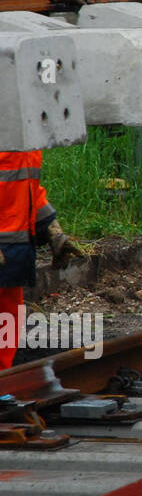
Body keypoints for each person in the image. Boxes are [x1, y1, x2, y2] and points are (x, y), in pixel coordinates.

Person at [0, 150, 81, 369]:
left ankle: (3, 381)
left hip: (14, 251)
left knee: (7, 320)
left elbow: (29, 191)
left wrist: (51, 229)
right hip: (8, 246)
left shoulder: (26, 146)